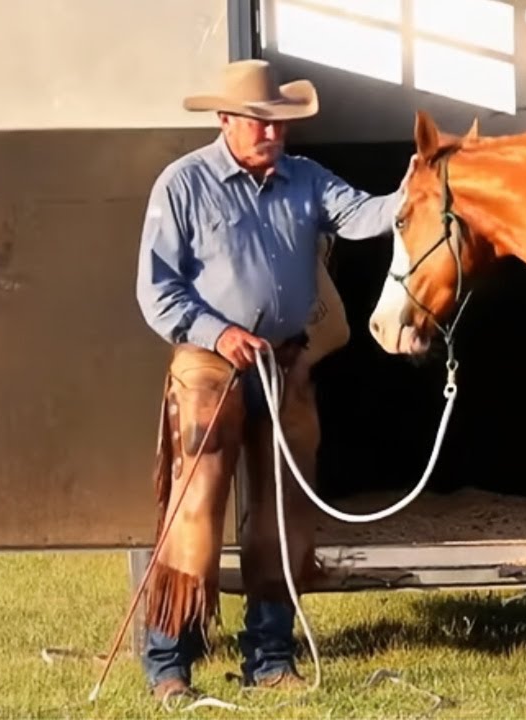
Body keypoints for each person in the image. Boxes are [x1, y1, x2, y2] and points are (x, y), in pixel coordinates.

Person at [134, 58, 403, 704]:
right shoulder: (183, 185)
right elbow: (157, 289)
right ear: (226, 120)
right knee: (194, 508)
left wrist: (415, 191)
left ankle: (270, 655)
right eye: (260, 123)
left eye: (280, 125)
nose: (273, 135)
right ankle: (169, 660)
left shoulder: (305, 180)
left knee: (285, 512)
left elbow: (366, 215)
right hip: (211, 364)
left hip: (284, 363)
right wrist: (219, 333)